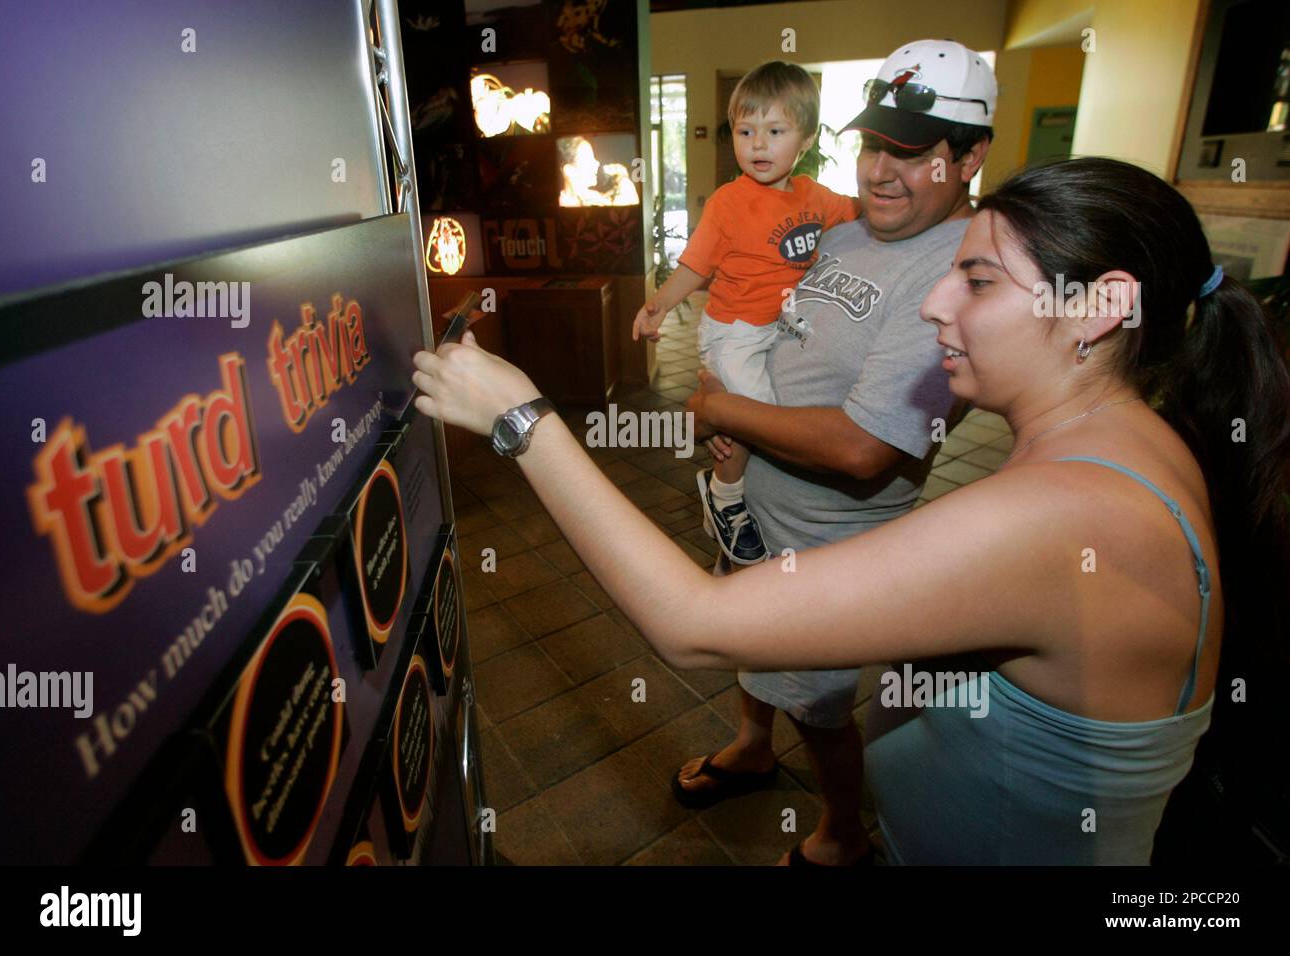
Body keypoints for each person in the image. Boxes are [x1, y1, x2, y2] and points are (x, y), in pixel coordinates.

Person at [411, 155, 1290, 864]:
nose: (935, 303)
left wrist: (522, 422)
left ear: (1100, 308)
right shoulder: (1145, 439)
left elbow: (692, 624)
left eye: (977, 282)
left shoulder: (1065, 517)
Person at [674, 39, 995, 867]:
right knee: (753, 649)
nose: (881, 172)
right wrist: (739, 415)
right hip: (758, 502)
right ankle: (750, 748)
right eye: (872, 145)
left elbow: (864, 450)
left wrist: (725, 405)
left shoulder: (955, 275)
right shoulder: (848, 232)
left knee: (819, 703)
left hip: (827, 534)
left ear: (969, 159)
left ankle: (842, 835)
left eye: (913, 153)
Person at [632, 60, 859, 566]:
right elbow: (696, 264)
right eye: (745, 130)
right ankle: (724, 498)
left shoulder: (814, 197)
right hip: (733, 331)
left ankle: (741, 478)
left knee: (777, 406)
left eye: (774, 131)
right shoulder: (729, 203)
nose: (758, 144)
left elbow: (861, 213)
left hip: (779, 327)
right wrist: (660, 305)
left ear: (805, 138)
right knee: (756, 415)